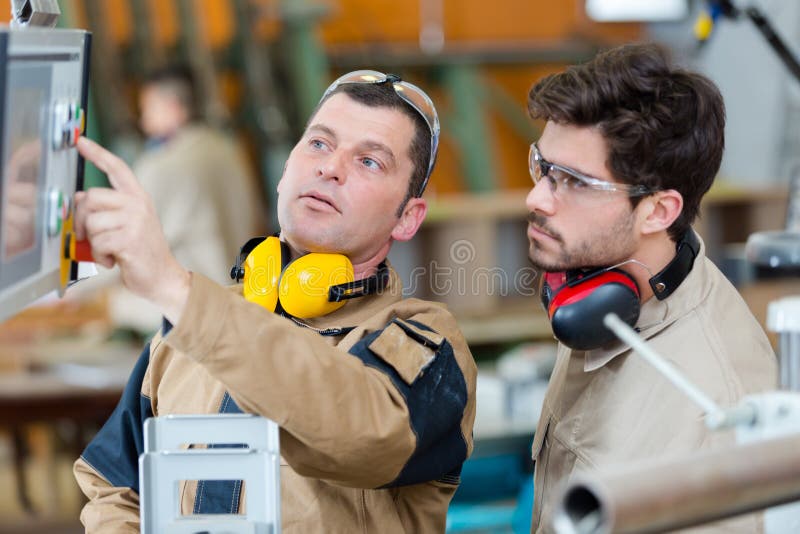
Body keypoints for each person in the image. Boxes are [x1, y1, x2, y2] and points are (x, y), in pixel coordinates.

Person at [71, 70, 477, 533]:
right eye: (320, 144)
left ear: (407, 218)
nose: (330, 167)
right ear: (287, 169)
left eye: (369, 161)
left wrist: (173, 287)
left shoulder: (426, 344)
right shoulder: (184, 334)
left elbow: (363, 435)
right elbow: (114, 485)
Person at [524, 43, 777, 532]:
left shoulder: (710, 416)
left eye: (573, 182)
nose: (537, 197)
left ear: (658, 211)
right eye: (543, 167)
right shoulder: (603, 286)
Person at [70, 64, 265, 332]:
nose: (143, 122)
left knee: (110, 307)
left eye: (148, 109)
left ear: (173, 107)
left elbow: (124, 244)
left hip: (189, 302)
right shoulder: (228, 151)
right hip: (238, 294)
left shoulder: (163, 164)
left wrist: (68, 288)